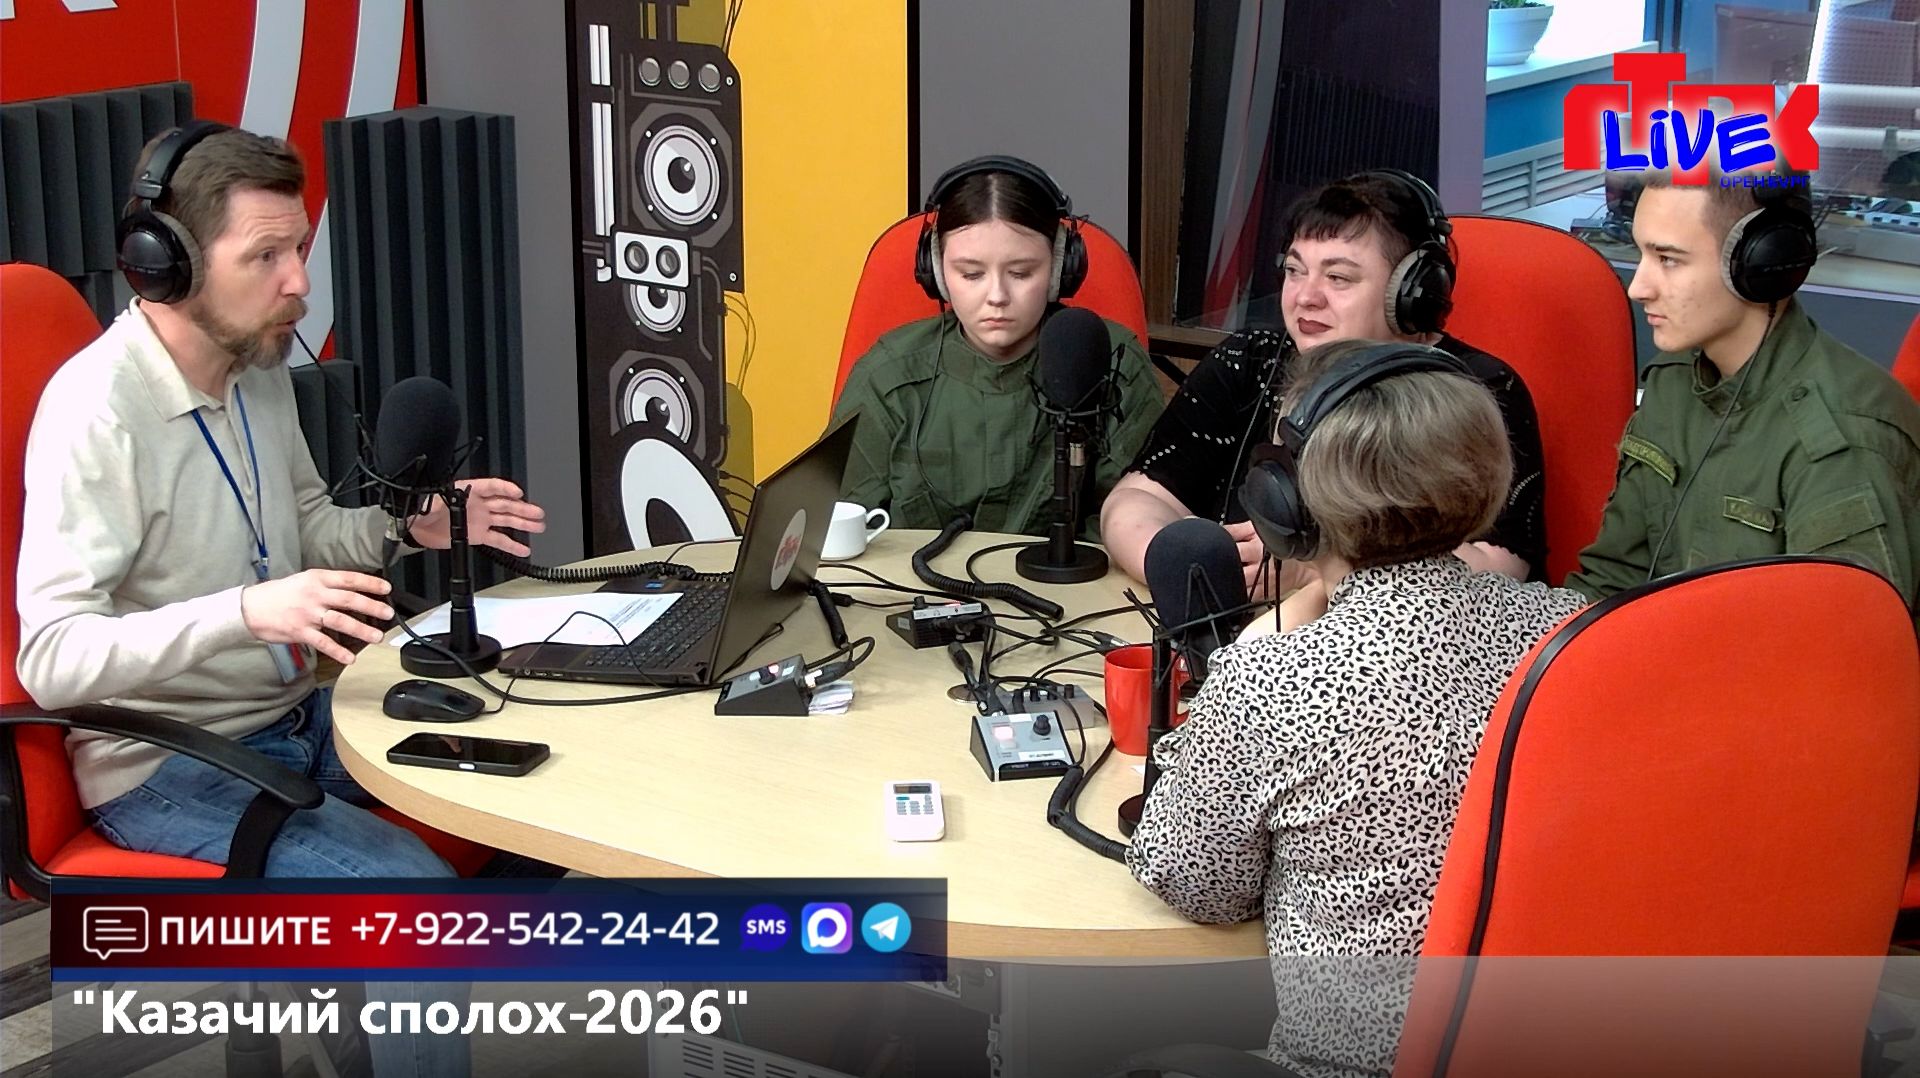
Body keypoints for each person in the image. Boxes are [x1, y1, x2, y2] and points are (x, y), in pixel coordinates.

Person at [15, 122, 544, 1077]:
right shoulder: (95, 413)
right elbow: (49, 657)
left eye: (298, 248)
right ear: (167, 264)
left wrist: (407, 525)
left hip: (298, 721)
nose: (298, 282)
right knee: (415, 908)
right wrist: (246, 612)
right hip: (168, 765)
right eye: (265, 256)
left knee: (540, 789)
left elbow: (304, 530)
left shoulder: (256, 371)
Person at [1126, 339, 1589, 1078]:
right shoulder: (1571, 632)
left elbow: (1192, 882)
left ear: (1288, 502)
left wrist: (1261, 642)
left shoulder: (1275, 680)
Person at [1101, 170, 1547, 593]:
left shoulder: (1473, 389)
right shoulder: (1249, 360)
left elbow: (1498, 566)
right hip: (1234, 626)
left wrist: (1312, 572)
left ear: (1412, 293)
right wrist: (1191, 571)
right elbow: (1134, 501)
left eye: (1338, 277)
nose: (1305, 297)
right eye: (1295, 271)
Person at [1564, 168, 1920, 623]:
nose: (1638, 288)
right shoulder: (1673, 382)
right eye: (1642, 253)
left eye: (1668, 259)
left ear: (1762, 260)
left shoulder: (1844, 439)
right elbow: (1612, 581)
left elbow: (1842, 650)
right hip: (1661, 653)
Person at [830, 155, 1161, 535]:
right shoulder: (887, 376)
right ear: (936, 272)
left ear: (1059, 269)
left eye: (1021, 273)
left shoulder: (1114, 364)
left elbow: (1147, 516)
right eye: (971, 274)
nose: (997, 296)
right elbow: (837, 528)